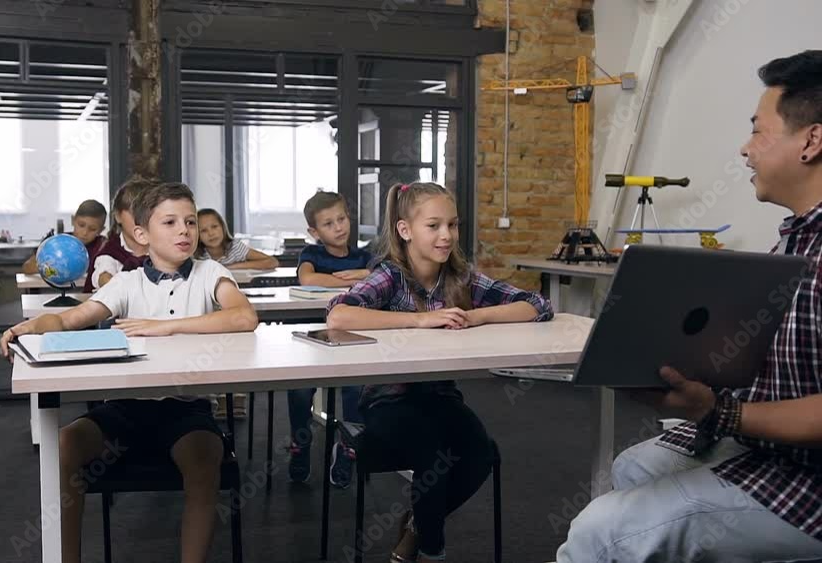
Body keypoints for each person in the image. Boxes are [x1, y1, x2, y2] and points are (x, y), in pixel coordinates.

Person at [557, 51, 822, 562]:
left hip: (808, 482)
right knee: (634, 467)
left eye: (758, 132)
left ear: (810, 140)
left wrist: (715, 409)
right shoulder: (794, 242)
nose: (745, 149)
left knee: (603, 531)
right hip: (772, 451)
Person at [0, 181, 259, 563]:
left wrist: (165, 326)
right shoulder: (127, 282)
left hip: (187, 410)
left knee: (206, 458)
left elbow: (244, 316)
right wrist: (29, 327)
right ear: (142, 234)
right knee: (66, 443)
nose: (184, 230)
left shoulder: (210, 273)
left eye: (189, 221)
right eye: (169, 222)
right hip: (124, 411)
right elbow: (72, 319)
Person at [327, 182, 553, 562]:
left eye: (453, 224)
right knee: (436, 455)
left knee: (480, 454)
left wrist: (477, 315)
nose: (446, 235)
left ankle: (416, 528)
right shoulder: (391, 275)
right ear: (405, 230)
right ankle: (429, 549)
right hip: (389, 400)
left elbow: (537, 304)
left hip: (440, 397)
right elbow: (339, 314)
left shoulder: (461, 278)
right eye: (433, 226)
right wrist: (419, 320)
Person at [287, 191, 373, 488]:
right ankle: (301, 443)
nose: (339, 227)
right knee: (299, 390)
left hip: (350, 337)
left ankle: (348, 447)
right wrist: (355, 278)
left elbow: (379, 275)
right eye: (328, 223)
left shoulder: (365, 256)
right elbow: (308, 280)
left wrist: (363, 272)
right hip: (310, 339)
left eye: (342, 219)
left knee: (355, 388)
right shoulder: (310, 255)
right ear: (314, 232)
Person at [84, 179, 150, 292]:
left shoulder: (165, 247)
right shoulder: (110, 252)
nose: (142, 219)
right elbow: (104, 276)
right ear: (118, 216)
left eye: (148, 213)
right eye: (135, 213)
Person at [22, 199, 107, 276]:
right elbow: (27, 267)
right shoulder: (55, 242)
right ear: (73, 220)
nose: (85, 233)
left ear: (101, 230)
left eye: (92, 229)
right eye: (81, 225)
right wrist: (54, 269)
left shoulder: (104, 247)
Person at [196, 208, 280, 270]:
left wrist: (232, 267)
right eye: (203, 231)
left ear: (223, 227)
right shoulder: (197, 256)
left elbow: (272, 261)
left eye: (214, 227)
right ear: (197, 236)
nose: (211, 233)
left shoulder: (235, 247)